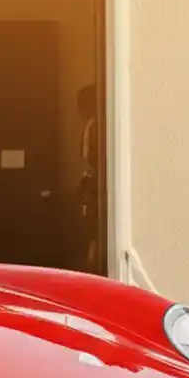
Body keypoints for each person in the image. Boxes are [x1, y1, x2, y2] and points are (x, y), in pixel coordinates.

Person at [78, 84, 100, 272]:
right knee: (91, 231)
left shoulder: (95, 125)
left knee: (93, 231)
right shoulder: (93, 124)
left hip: (93, 184)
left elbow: (90, 159)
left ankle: (91, 266)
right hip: (91, 182)